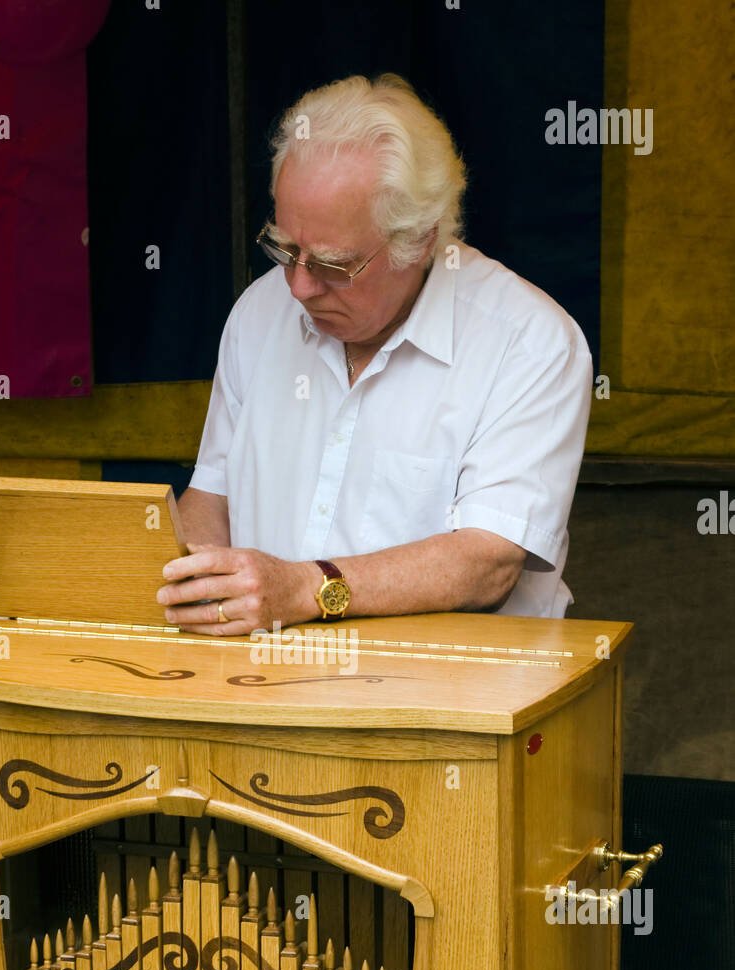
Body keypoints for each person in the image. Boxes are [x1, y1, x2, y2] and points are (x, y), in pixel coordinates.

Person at [157, 73, 592, 635]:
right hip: (263, 684)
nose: (298, 288)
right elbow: (212, 495)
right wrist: (197, 579)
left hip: (451, 699)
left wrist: (303, 589)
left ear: (421, 241)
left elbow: (488, 562)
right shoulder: (259, 312)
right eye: (284, 249)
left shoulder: (529, 341)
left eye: (334, 265)